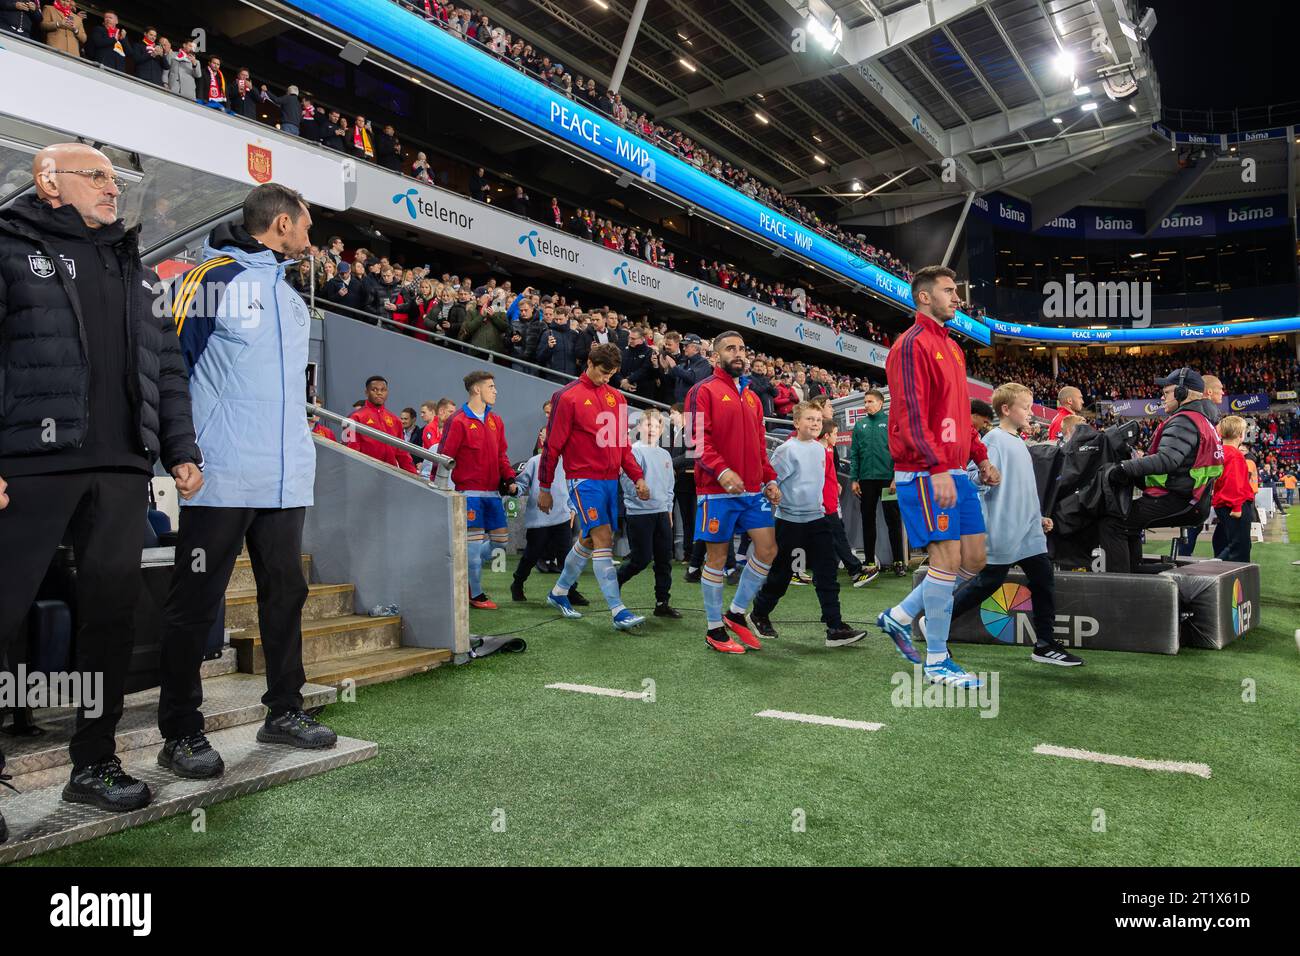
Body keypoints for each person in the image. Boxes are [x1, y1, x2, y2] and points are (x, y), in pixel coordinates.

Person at [0, 144, 203, 827]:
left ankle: (93, 763)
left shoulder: (137, 272)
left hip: (121, 471)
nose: (112, 191)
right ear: (47, 179)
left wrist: (181, 449)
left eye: (116, 181)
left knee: (110, 622)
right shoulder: (6, 246)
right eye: (96, 177)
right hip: (27, 465)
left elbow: (167, 370)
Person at [158, 183, 337, 780]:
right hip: (222, 476)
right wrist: (180, 450)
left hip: (284, 481)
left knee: (285, 596)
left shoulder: (286, 295)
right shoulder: (213, 280)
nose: (312, 237)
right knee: (195, 603)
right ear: (282, 223)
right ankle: (180, 731)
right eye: (307, 225)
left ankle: (283, 708)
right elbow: (171, 370)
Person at [875, 265, 999, 689]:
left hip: (955, 471)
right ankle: (936, 661)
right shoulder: (910, 346)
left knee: (976, 559)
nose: (957, 298)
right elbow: (910, 414)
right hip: (927, 471)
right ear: (924, 297)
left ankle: (901, 614)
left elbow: (959, 415)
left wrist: (979, 456)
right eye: (949, 290)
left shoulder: (952, 347)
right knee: (946, 561)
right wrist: (935, 466)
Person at [937, 383, 1084, 666]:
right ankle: (937, 624)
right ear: (1006, 409)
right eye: (1026, 408)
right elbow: (972, 478)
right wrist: (982, 478)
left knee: (1043, 579)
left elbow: (1024, 489)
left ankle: (1044, 644)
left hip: (1027, 529)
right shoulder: (994, 440)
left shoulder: (1017, 441)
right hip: (1003, 529)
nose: (1031, 413)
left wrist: (1037, 516)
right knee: (987, 583)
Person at [537, 344, 650, 630]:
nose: (606, 379)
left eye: (611, 374)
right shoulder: (567, 396)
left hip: (610, 480)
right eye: (602, 372)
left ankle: (559, 592)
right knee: (603, 538)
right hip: (583, 479)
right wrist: (545, 486)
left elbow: (622, 445)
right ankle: (617, 610)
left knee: (589, 539)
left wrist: (637, 476)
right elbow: (553, 446)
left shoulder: (617, 398)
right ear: (589, 362)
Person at [686, 330, 781, 654]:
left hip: (753, 490)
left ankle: (736, 613)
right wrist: (723, 471)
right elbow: (697, 440)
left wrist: (769, 478)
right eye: (730, 348)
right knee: (715, 557)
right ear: (716, 356)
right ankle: (714, 629)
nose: (738, 353)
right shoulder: (702, 390)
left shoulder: (752, 396)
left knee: (767, 549)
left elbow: (759, 446)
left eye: (742, 348)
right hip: (716, 490)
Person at [748, 403, 867, 647]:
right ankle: (758, 613)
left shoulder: (821, 451)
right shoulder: (785, 451)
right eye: (809, 419)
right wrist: (771, 490)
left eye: (817, 419)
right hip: (789, 522)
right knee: (782, 574)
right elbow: (770, 480)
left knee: (827, 574)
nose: (814, 423)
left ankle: (835, 627)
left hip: (818, 519)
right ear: (796, 423)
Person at [1100, 368, 1224, 573]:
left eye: (1167, 392)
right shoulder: (1203, 419)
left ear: (1182, 393)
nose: (1162, 397)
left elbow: (1168, 460)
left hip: (1180, 499)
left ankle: (1122, 586)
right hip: (1192, 499)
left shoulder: (1185, 419)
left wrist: (1123, 468)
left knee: (1113, 523)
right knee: (1128, 521)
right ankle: (1136, 570)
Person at [436, 371, 518, 609]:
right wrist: (437, 486)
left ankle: (462, 570)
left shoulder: (496, 421)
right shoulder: (458, 420)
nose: (495, 391)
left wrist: (510, 478)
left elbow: (502, 455)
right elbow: (444, 456)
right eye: (491, 386)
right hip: (468, 494)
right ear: (476, 390)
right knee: (472, 549)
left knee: (500, 542)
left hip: (492, 494)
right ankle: (476, 593)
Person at [616, 410, 680, 618]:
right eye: (648, 425)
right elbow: (627, 482)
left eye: (656, 426)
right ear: (640, 427)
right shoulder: (633, 452)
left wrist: (668, 510)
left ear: (662, 430)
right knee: (640, 560)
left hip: (662, 514)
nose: (652, 429)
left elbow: (670, 486)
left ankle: (662, 603)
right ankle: (614, 582)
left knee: (664, 561)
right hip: (639, 514)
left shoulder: (665, 455)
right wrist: (638, 499)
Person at [850, 389, 905, 577]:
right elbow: (855, 455)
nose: (866, 405)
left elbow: (900, 452)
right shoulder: (860, 426)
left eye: (870, 401)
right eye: (865, 402)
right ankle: (869, 561)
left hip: (888, 481)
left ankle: (899, 561)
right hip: (866, 481)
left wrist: (895, 477)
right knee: (867, 520)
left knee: (893, 520)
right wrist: (854, 479)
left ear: (880, 403)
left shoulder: (891, 423)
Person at [817, 415, 873, 586]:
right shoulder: (819, 452)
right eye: (834, 433)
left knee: (833, 538)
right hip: (825, 505)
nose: (837, 437)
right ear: (826, 436)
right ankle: (855, 571)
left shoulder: (828, 450)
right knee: (837, 537)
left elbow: (828, 476)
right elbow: (818, 479)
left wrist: (835, 487)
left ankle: (840, 570)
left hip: (830, 502)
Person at [344, 375, 419, 474]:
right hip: (364, 473)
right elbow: (350, 451)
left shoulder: (395, 420)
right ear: (366, 392)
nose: (379, 393)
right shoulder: (353, 417)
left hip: (390, 474)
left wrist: (415, 475)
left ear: (387, 392)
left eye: (383, 390)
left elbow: (402, 453)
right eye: (374, 390)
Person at [1211, 415, 1254, 562]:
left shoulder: (1218, 452)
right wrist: (1237, 507)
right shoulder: (1235, 455)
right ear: (1240, 435)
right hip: (1235, 505)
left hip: (1222, 503)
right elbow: (1234, 482)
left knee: (1226, 541)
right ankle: (1230, 575)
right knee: (1240, 547)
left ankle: (1218, 563)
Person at [665, 332, 712, 402]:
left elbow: (693, 378)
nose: (683, 348)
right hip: (679, 405)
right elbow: (674, 379)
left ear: (695, 348)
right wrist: (666, 368)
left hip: (693, 407)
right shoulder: (685, 361)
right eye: (683, 346)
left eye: (686, 346)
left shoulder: (704, 363)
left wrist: (674, 367)